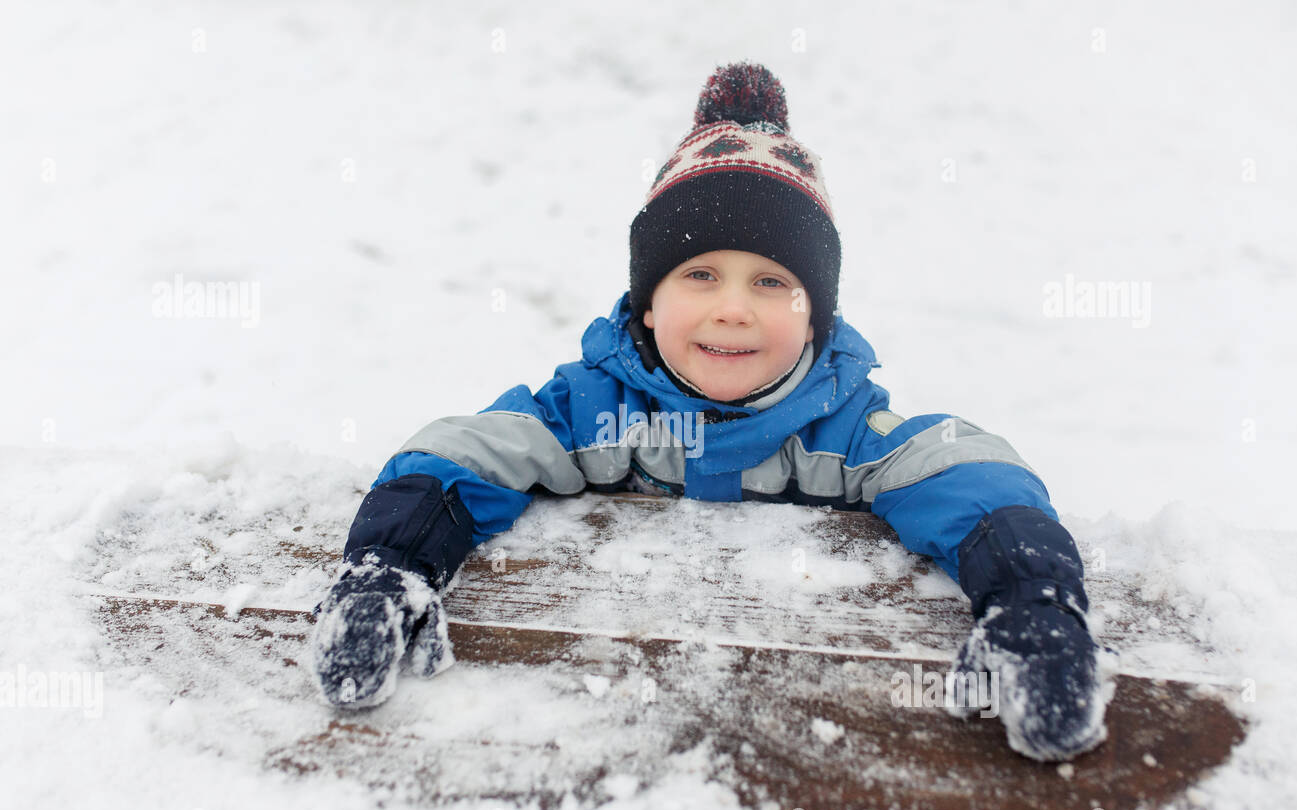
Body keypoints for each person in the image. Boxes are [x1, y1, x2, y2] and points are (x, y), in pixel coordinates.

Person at [310, 61, 1110, 763]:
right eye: (699, 275)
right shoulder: (598, 407)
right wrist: (391, 564)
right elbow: (465, 453)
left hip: (792, 719)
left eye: (770, 282)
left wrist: (1031, 595)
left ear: (816, 317)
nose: (734, 309)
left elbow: (970, 472)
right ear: (648, 306)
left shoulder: (842, 427)